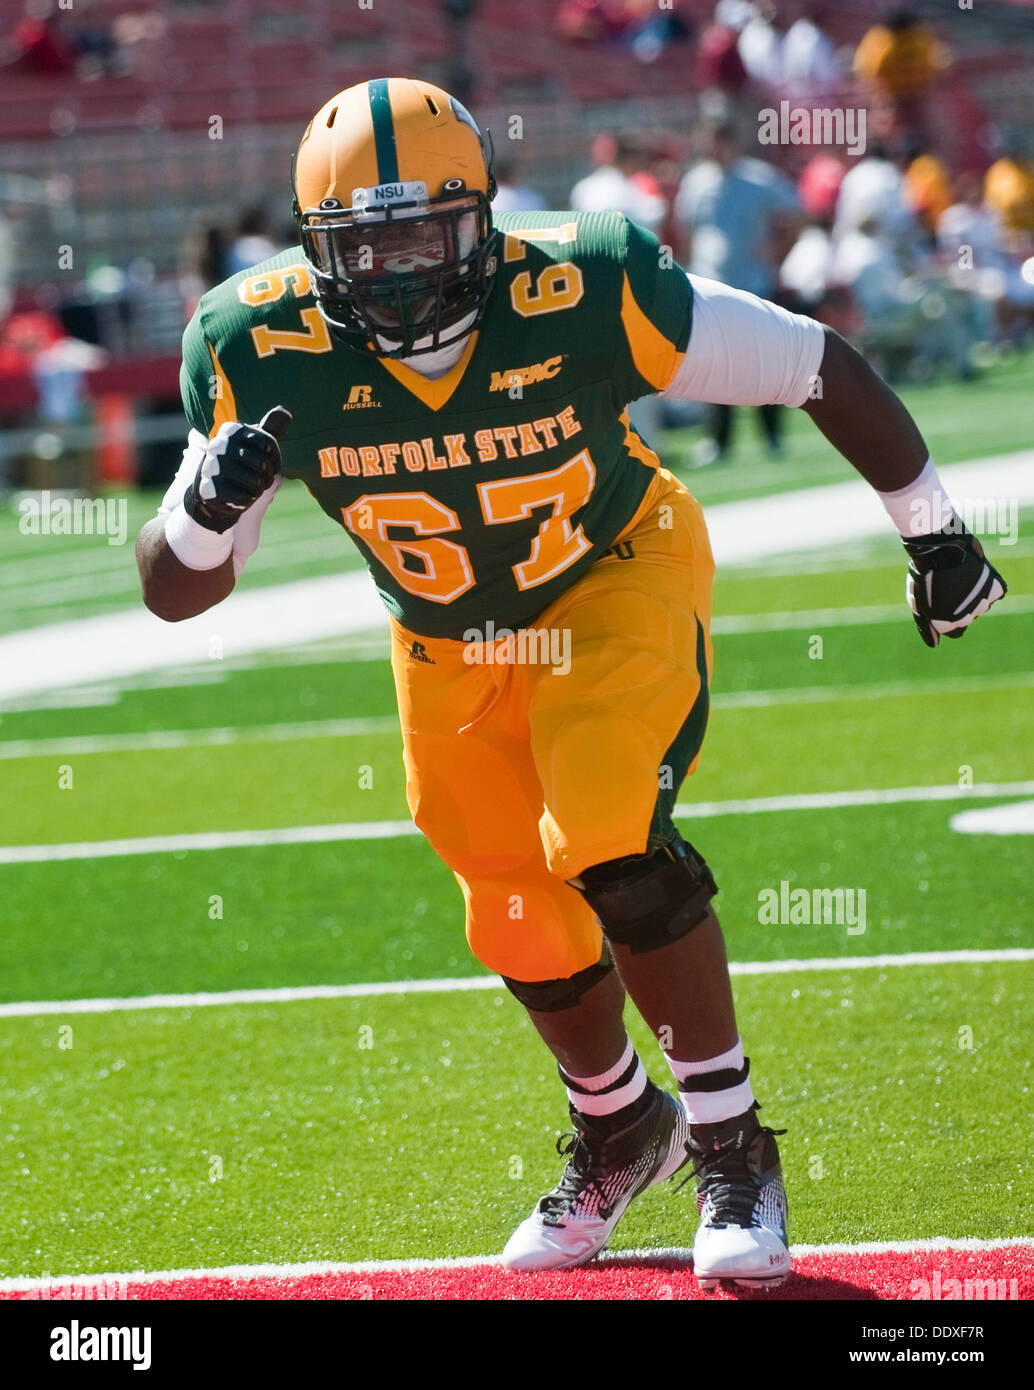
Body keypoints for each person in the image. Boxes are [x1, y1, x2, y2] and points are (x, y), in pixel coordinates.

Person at [136, 78, 1007, 1287]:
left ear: (482, 220)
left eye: (419, 234)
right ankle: (618, 1124)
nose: (390, 271)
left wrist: (934, 531)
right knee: (500, 892)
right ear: (312, 249)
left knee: (601, 822)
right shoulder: (252, 345)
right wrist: (198, 513)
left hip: (610, 573)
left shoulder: (584, 285)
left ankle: (731, 1143)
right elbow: (177, 592)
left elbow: (816, 365)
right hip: (445, 637)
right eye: (361, 243)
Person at [675, 116, 803, 459]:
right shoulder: (695, 181)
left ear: (730, 142)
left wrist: (777, 252)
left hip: (751, 283)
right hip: (707, 286)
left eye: (715, 140)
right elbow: (686, 230)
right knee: (713, 366)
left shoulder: (758, 178)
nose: (708, 148)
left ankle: (773, 436)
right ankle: (719, 441)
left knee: (765, 361)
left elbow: (797, 212)